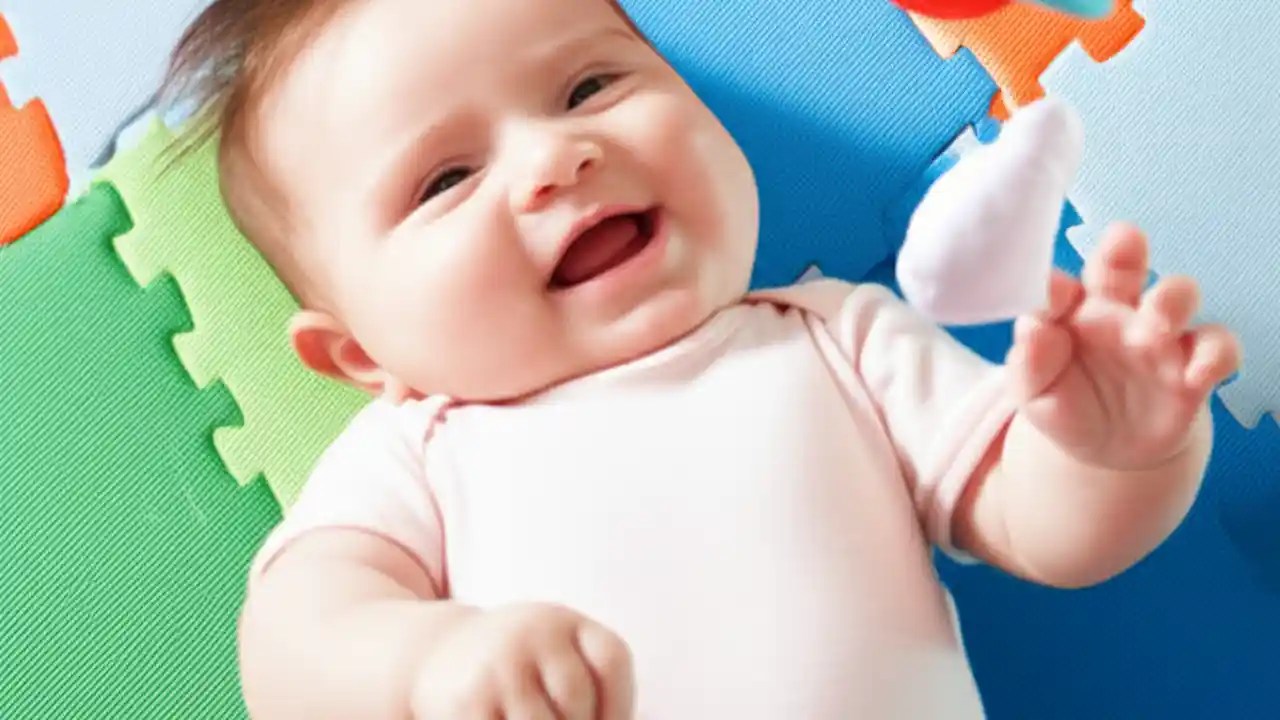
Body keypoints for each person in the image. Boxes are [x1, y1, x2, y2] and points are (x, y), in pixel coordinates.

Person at [160, 0, 1241, 716]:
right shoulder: (418, 449)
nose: (554, 157)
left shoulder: (834, 338)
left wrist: (1112, 452)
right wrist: (426, 665)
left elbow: (1036, 525)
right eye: (444, 180)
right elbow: (295, 643)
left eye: (588, 87)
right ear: (356, 352)